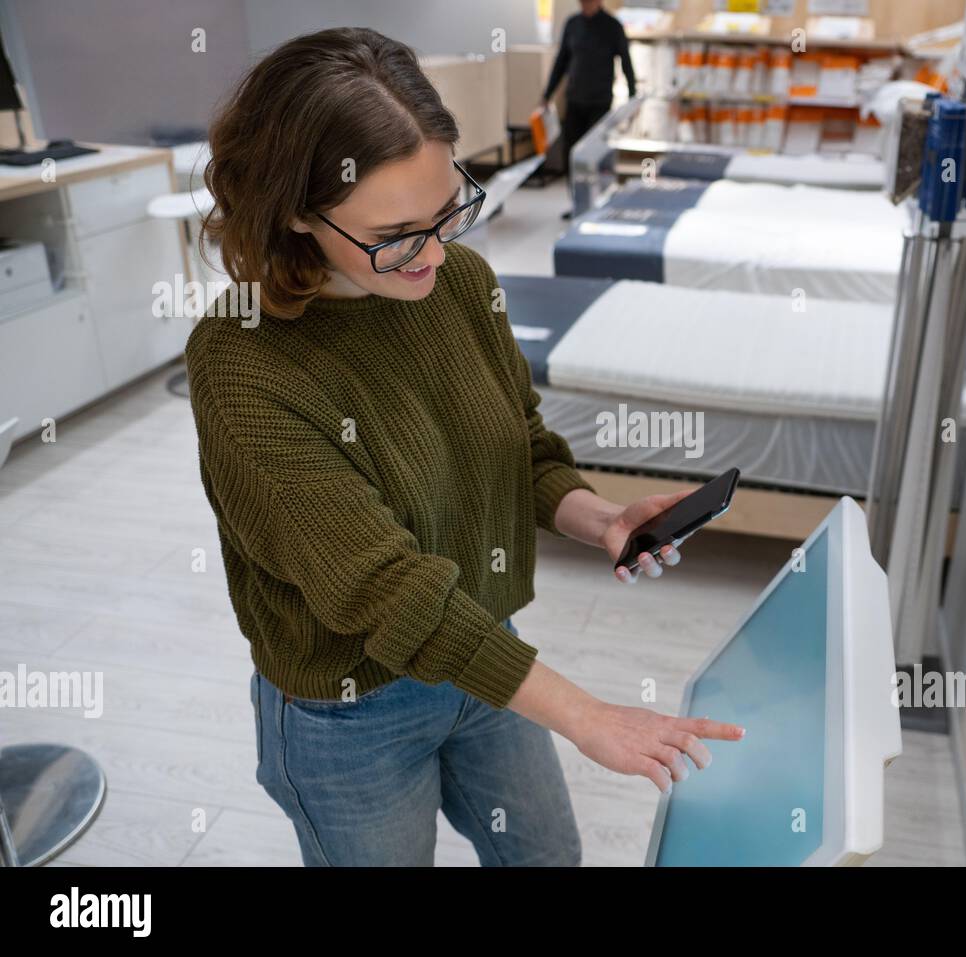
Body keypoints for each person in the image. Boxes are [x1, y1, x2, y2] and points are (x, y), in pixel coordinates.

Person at [188, 27, 742, 867]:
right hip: (349, 710)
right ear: (296, 210)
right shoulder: (243, 360)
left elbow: (518, 445)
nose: (437, 252)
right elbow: (388, 592)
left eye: (449, 208)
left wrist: (603, 519)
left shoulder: (459, 284)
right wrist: (589, 715)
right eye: (397, 232)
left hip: (484, 656)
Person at [539, 0, 637, 218]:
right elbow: (561, 61)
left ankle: (599, 203)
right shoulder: (572, 24)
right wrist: (547, 95)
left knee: (594, 155)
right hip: (575, 100)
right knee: (571, 153)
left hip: (600, 102)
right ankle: (578, 204)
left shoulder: (612, 26)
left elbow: (626, 62)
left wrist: (632, 97)